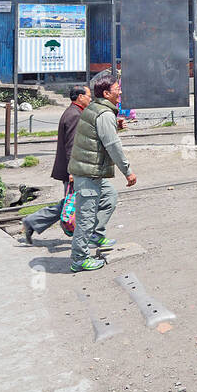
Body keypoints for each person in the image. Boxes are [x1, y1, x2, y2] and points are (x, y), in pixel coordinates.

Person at [65, 72, 137, 272]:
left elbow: (100, 135)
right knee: (86, 216)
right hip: (88, 172)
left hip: (90, 170)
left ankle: (96, 234)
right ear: (106, 93)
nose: (120, 91)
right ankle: (79, 259)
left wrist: (116, 127)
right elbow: (112, 145)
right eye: (117, 89)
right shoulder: (104, 113)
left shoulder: (96, 108)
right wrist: (128, 171)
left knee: (110, 196)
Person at [23, 86, 89, 244]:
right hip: (72, 169)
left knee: (72, 202)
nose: (90, 99)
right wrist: (73, 170)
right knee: (75, 203)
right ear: (80, 97)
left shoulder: (73, 112)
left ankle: (33, 222)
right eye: (88, 96)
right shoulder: (74, 115)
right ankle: (33, 221)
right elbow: (72, 145)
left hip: (70, 168)